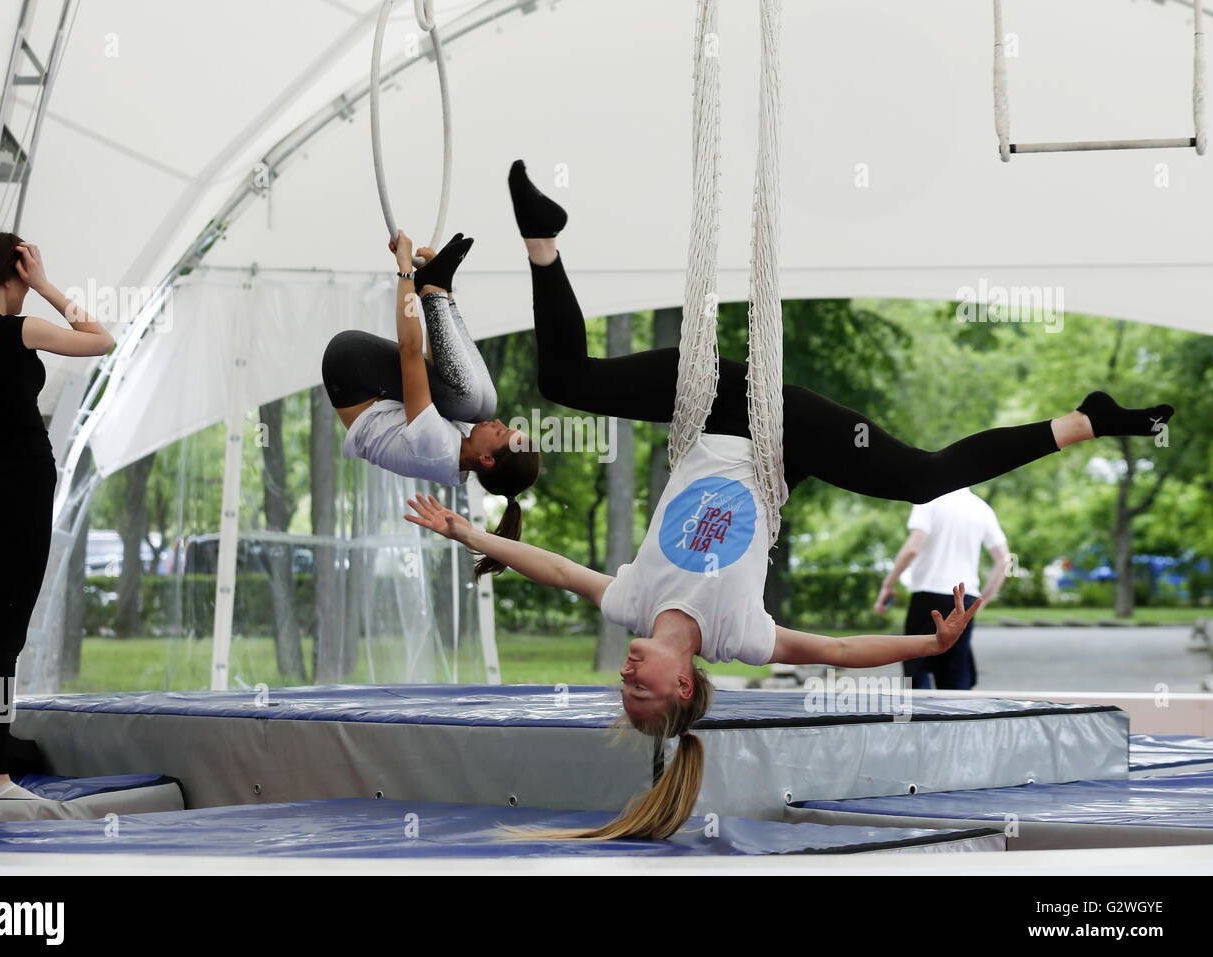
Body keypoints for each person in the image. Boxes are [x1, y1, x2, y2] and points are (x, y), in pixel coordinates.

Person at [403, 161, 1176, 840]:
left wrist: (472, 532)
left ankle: (544, 240)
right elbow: (837, 653)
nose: (628, 672)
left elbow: (559, 570)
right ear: (681, 684)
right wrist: (928, 648)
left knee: (564, 382)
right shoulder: (739, 635)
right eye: (641, 686)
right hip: (780, 432)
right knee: (921, 476)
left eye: (623, 683)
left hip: (701, 406)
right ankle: (1087, 421)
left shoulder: (634, 603)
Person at [0, 231, 115, 799]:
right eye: (26, 271)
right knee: (2, 634)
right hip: (19, 489)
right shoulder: (19, 329)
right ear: (10, 274)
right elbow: (101, 340)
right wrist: (46, 287)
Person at [321, 230, 539, 576]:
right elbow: (439, 370)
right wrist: (432, 293)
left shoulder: (437, 449)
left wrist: (405, 273)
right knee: (480, 404)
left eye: (499, 435)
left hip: (350, 371)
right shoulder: (466, 450)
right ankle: (439, 291)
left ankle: (436, 291)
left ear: (486, 459)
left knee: (471, 401)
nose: (498, 425)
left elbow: (410, 351)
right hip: (373, 386)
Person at [874, 487, 1011, 689]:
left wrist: (888, 584)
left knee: (917, 665)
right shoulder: (982, 508)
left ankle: (921, 718)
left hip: (929, 594)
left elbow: (913, 548)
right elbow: (1005, 560)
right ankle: (958, 720)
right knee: (956, 672)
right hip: (966, 598)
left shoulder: (928, 500)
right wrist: (984, 599)